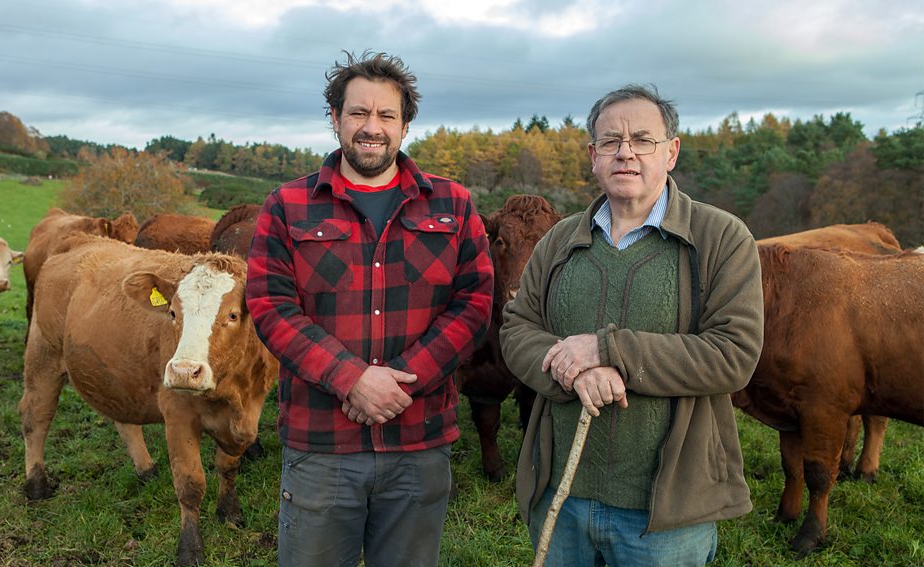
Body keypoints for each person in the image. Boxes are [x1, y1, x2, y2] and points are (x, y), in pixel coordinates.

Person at [245, 51, 494, 567]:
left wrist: (402, 381)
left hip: (418, 442)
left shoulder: (454, 205)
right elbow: (270, 307)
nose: (371, 128)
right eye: (358, 113)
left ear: (405, 126)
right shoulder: (287, 206)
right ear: (334, 119)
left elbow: (474, 304)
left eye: (386, 115)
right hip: (322, 444)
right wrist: (351, 378)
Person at [499, 84, 764, 566]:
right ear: (593, 155)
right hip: (561, 494)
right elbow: (517, 329)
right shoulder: (560, 239)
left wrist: (608, 350)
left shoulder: (721, 237)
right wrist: (575, 369)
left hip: (664, 516)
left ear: (671, 152)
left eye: (643, 140)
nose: (626, 153)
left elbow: (734, 354)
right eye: (610, 141)